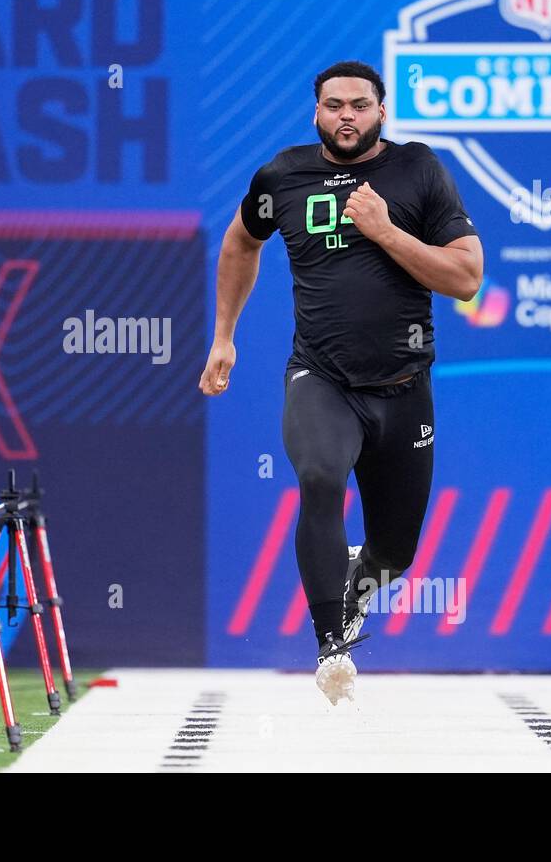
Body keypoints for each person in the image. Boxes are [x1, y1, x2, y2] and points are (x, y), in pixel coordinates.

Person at [199, 60, 484, 706]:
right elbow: (242, 243)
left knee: (395, 552)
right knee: (320, 477)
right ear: (316, 113)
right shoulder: (283, 175)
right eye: (334, 105)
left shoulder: (419, 170)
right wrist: (224, 335)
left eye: (360, 104)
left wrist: (385, 231)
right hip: (321, 377)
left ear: (382, 112)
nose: (346, 115)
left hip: (405, 387)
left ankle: (359, 582)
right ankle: (332, 646)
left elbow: (466, 277)